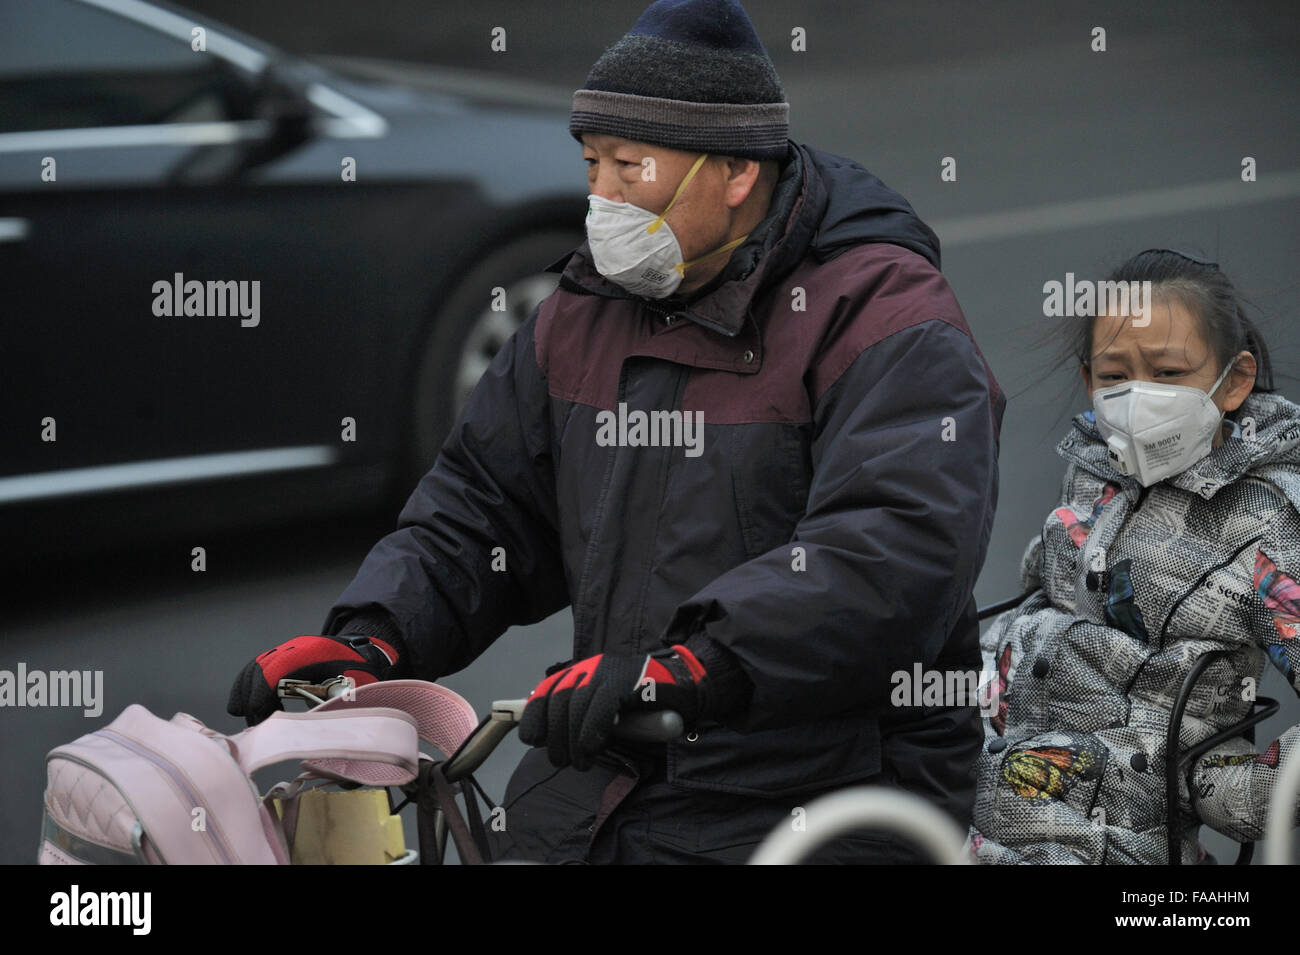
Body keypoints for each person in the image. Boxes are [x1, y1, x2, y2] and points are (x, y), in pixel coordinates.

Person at [229, 0, 1005, 864]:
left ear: (736, 172)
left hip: (823, 799)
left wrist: (701, 665)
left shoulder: (884, 313)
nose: (599, 198)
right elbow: (483, 510)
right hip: (600, 777)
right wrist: (374, 636)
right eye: (591, 162)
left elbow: (893, 551)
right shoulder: (581, 311)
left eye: (628, 166)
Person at [971, 248, 1300, 864]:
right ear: (1089, 379)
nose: (1138, 397)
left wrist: (1231, 790)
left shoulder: (1269, 522)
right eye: (1115, 376)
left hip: (1111, 848)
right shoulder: (1095, 472)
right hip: (980, 805)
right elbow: (1042, 591)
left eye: (1169, 373)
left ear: (1234, 380)